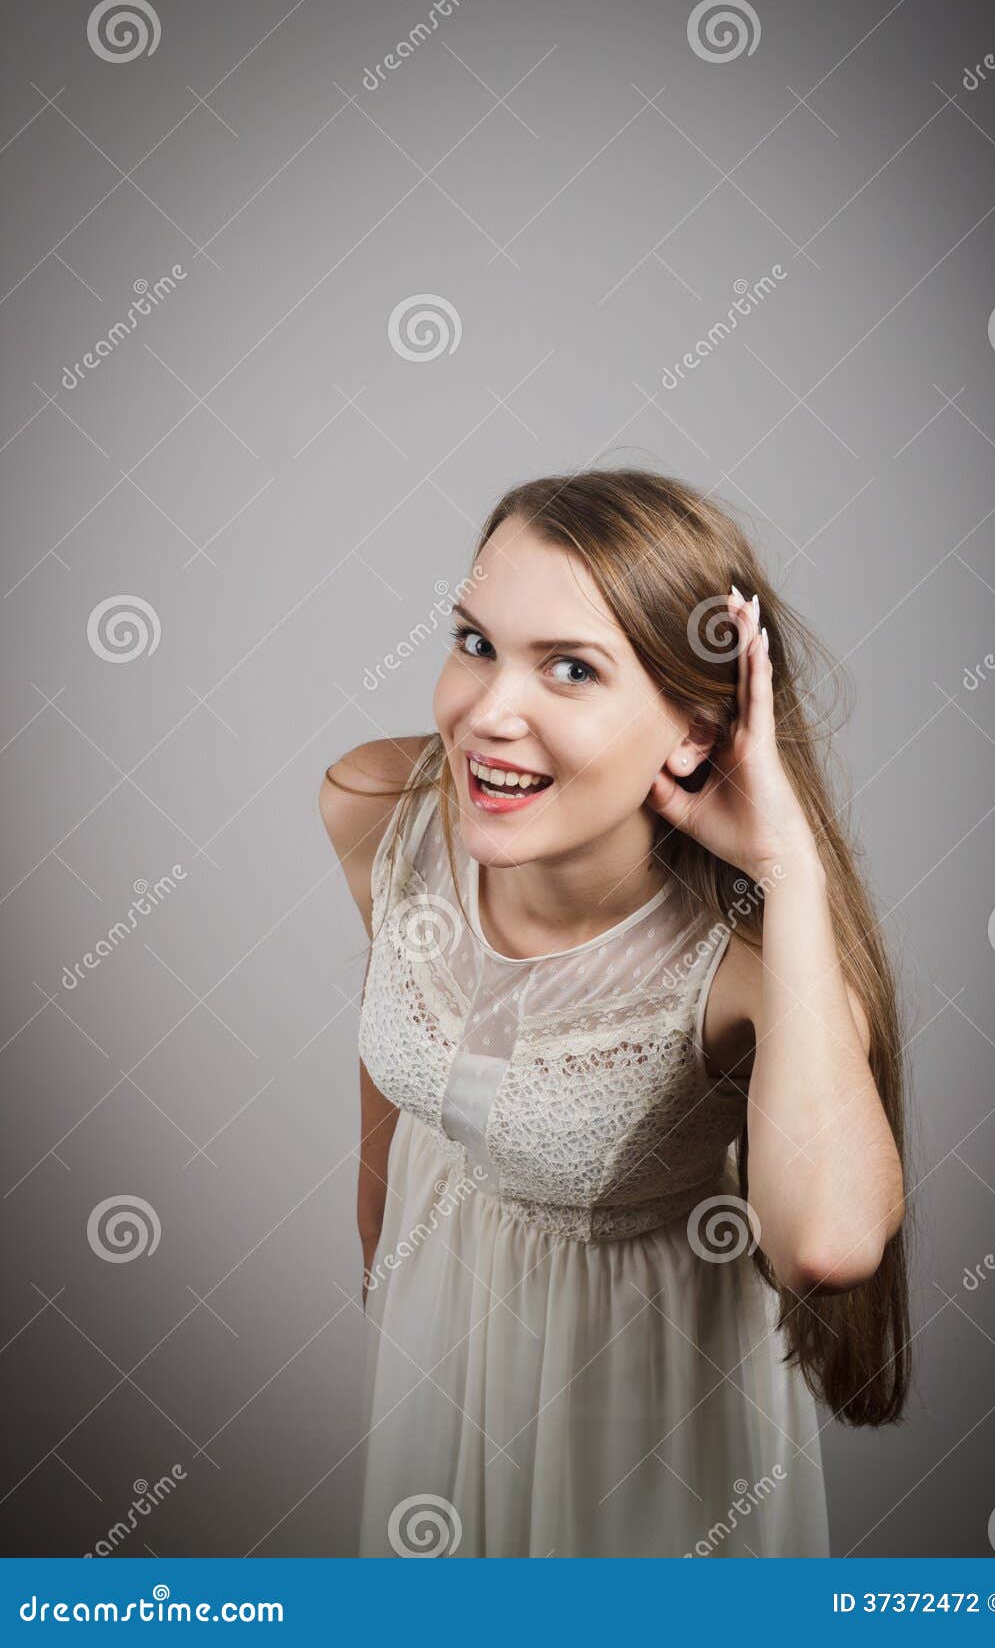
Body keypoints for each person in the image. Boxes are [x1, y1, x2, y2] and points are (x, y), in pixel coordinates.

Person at [320, 468, 910, 1559]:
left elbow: (827, 1245)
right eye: (476, 642)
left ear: (694, 732)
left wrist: (790, 869)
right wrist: (381, 1256)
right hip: (443, 1329)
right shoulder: (377, 810)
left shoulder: (752, 968)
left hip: (639, 1400)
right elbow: (390, 1058)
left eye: (572, 668)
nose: (487, 713)